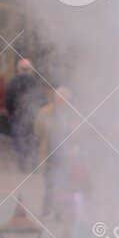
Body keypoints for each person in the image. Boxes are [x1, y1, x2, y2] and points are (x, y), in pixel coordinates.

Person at [35, 86, 74, 219]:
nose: (63, 103)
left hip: (65, 154)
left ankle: (59, 211)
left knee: (62, 183)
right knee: (49, 183)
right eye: (60, 99)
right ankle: (46, 211)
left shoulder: (71, 114)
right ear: (55, 99)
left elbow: (76, 133)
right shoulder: (44, 112)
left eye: (65, 100)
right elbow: (38, 131)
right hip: (49, 153)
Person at [5, 60, 47, 170]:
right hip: (33, 115)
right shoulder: (35, 82)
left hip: (17, 115)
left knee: (20, 139)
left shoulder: (13, 82)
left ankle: (23, 164)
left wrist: (10, 112)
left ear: (18, 69)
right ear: (30, 70)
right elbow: (42, 99)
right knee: (32, 139)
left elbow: (8, 99)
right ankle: (33, 164)